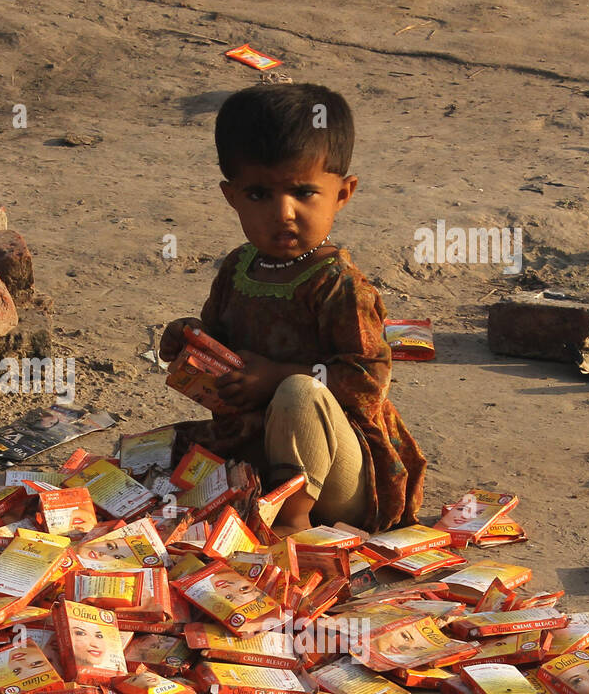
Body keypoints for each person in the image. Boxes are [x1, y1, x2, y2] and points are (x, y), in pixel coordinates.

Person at [160, 83, 426, 534]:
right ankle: (256, 500)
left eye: (303, 192)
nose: (283, 212)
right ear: (231, 196)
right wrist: (191, 341)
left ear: (343, 193)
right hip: (259, 449)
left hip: (342, 479)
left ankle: (293, 521)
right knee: (156, 456)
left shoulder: (339, 284)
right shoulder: (239, 267)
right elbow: (220, 350)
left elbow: (367, 380)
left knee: (299, 393)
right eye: (259, 195)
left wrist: (277, 376)